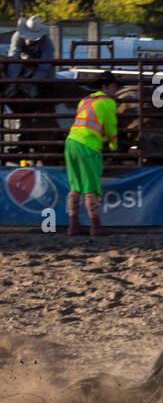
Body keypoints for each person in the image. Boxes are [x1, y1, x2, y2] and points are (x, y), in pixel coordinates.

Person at [64, 71, 121, 237]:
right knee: (91, 188)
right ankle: (95, 226)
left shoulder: (85, 100)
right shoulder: (108, 103)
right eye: (113, 87)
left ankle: (73, 225)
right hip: (88, 146)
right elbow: (111, 127)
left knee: (75, 188)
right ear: (105, 87)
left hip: (71, 142)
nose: (114, 90)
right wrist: (113, 145)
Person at [5, 15, 55, 80]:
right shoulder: (17, 37)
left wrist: (32, 82)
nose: (29, 39)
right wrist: (12, 81)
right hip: (22, 67)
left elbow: (44, 66)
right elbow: (14, 58)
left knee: (49, 76)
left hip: (39, 71)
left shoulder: (46, 42)